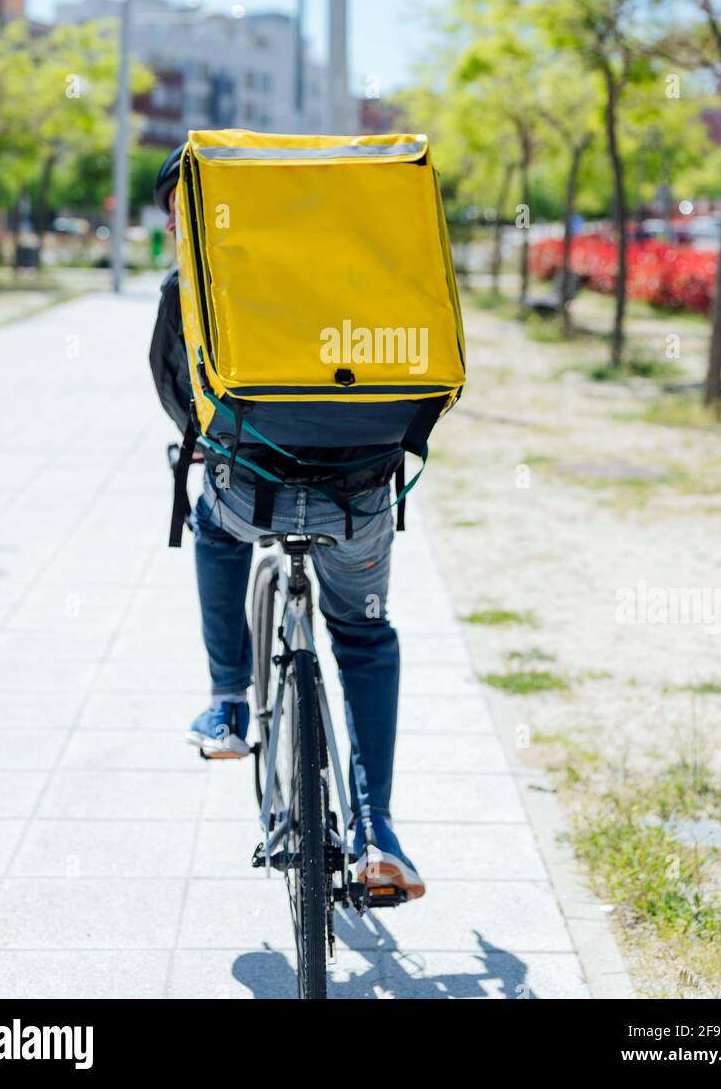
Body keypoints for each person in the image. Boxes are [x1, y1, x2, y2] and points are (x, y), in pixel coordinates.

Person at [148, 146, 425, 900]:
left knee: (212, 525)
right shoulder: (367, 273)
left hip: (250, 493)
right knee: (364, 637)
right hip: (360, 497)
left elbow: (181, 396)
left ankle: (228, 700)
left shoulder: (195, 287)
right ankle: (379, 833)